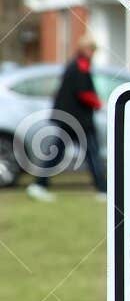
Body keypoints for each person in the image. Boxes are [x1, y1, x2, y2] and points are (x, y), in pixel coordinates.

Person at [25, 39, 105, 201]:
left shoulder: (74, 65)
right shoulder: (79, 67)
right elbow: (83, 92)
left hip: (70, 118)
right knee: (91, 153)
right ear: (85, 49)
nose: (93, 54)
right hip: (78, 119)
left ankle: (39, 184)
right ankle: (102, 189)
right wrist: (98, 103)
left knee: (58, 152)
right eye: (92, 50)